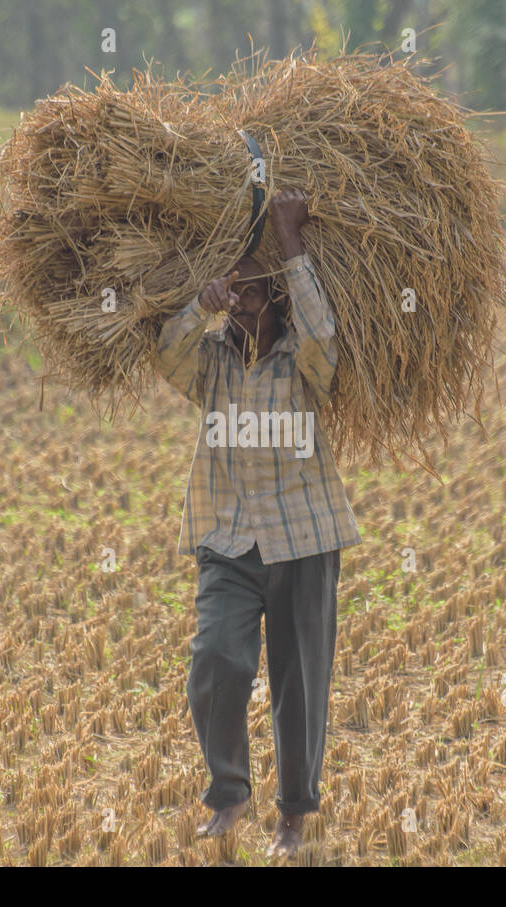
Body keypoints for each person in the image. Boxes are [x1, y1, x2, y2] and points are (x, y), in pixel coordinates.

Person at [152, 187, 361, 859]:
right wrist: (198, 304)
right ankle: (228, 791)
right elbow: (165, 352)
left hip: (303, 540)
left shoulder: (304, 364)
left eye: (251, 298)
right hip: (228, 538)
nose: (239, 309)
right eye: (233, 298)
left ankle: (294, 816)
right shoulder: (210, 366)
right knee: (214, 660)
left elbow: (326, 335)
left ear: (276, 303)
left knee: (300, 688)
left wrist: (289, 240)